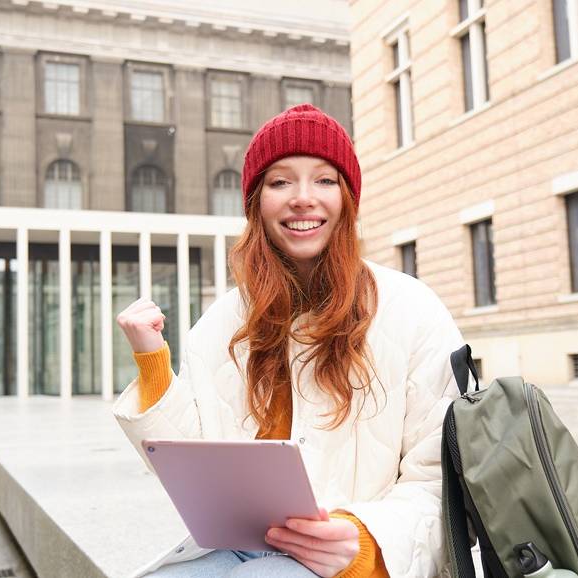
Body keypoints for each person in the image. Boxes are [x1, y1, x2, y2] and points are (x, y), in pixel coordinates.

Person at [114, 104, 464, 578]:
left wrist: (364, 545)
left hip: (364, 562)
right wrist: (153, 365)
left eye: (324, 180)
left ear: (348, 199)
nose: (303, 198)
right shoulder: (223, 322)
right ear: (257, 201)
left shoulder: (413, 309)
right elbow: (197, 475)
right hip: (237, 548)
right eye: (280, 182)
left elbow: (440, 480)